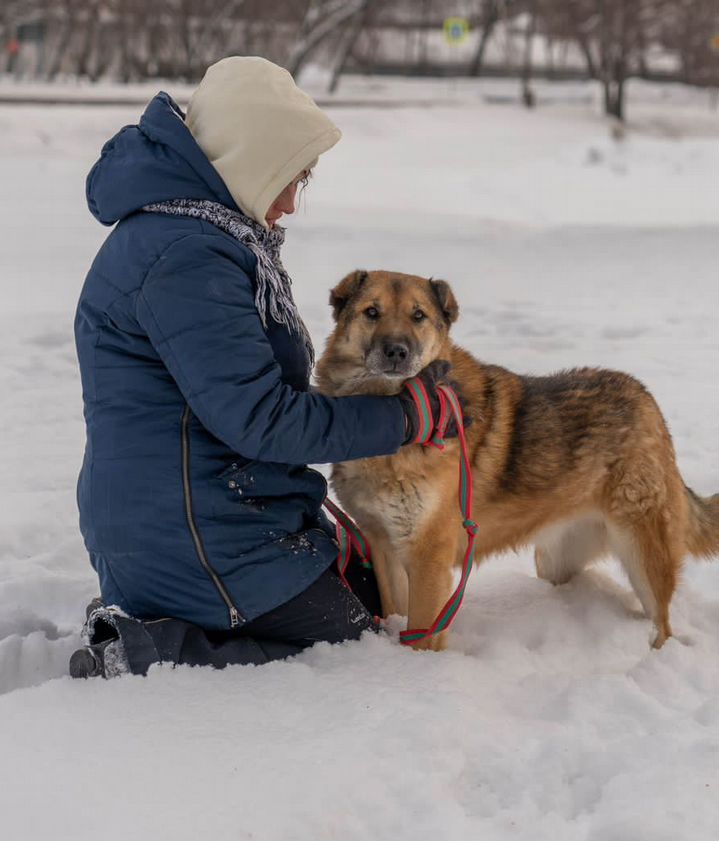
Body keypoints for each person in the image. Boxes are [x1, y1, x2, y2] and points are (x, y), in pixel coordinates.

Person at [69, 56, 464, 679]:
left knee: (373, 579)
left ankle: (175, 608)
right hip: (196, 539)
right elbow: (261, 421)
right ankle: (152, 647)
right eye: (292, 177)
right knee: (355, 649)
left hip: (207, 515)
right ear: (251, 159)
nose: (291, 202)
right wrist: (403, 418)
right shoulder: (186, 257)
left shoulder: (206, 233)